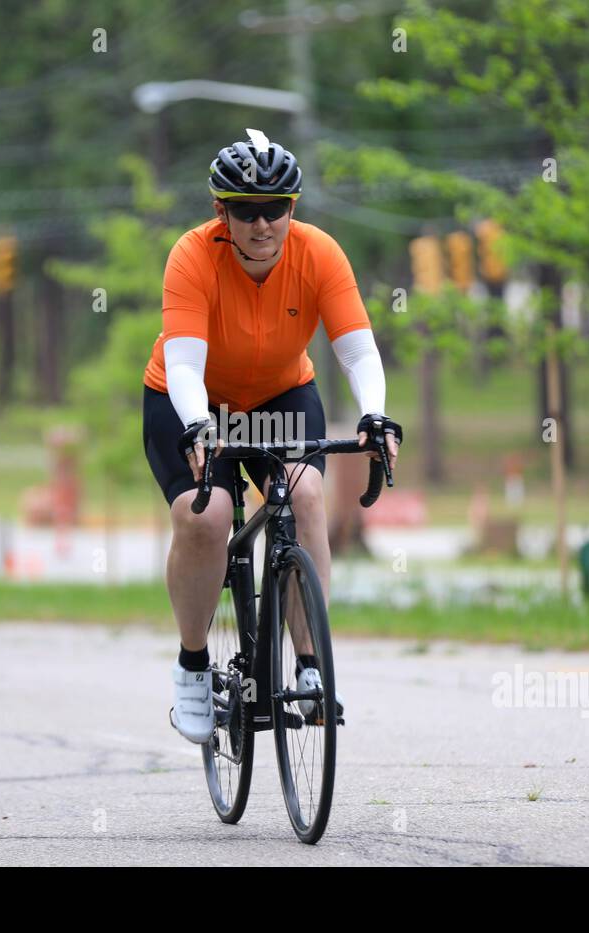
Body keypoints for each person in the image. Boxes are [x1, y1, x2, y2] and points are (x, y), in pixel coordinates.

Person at [141, 128, 402, 743]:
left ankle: (311, 669)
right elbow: (182, 362)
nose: (262, 225)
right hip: (193, 397)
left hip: (281, 396)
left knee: (306, 495)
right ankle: (193, 664)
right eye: (245, 210)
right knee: (208, 517)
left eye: (276, 209)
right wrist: (201, 425)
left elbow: (358, 352)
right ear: (220, 213)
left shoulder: (320, 253)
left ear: (294, 208)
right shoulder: (191, 256)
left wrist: (373, 415)